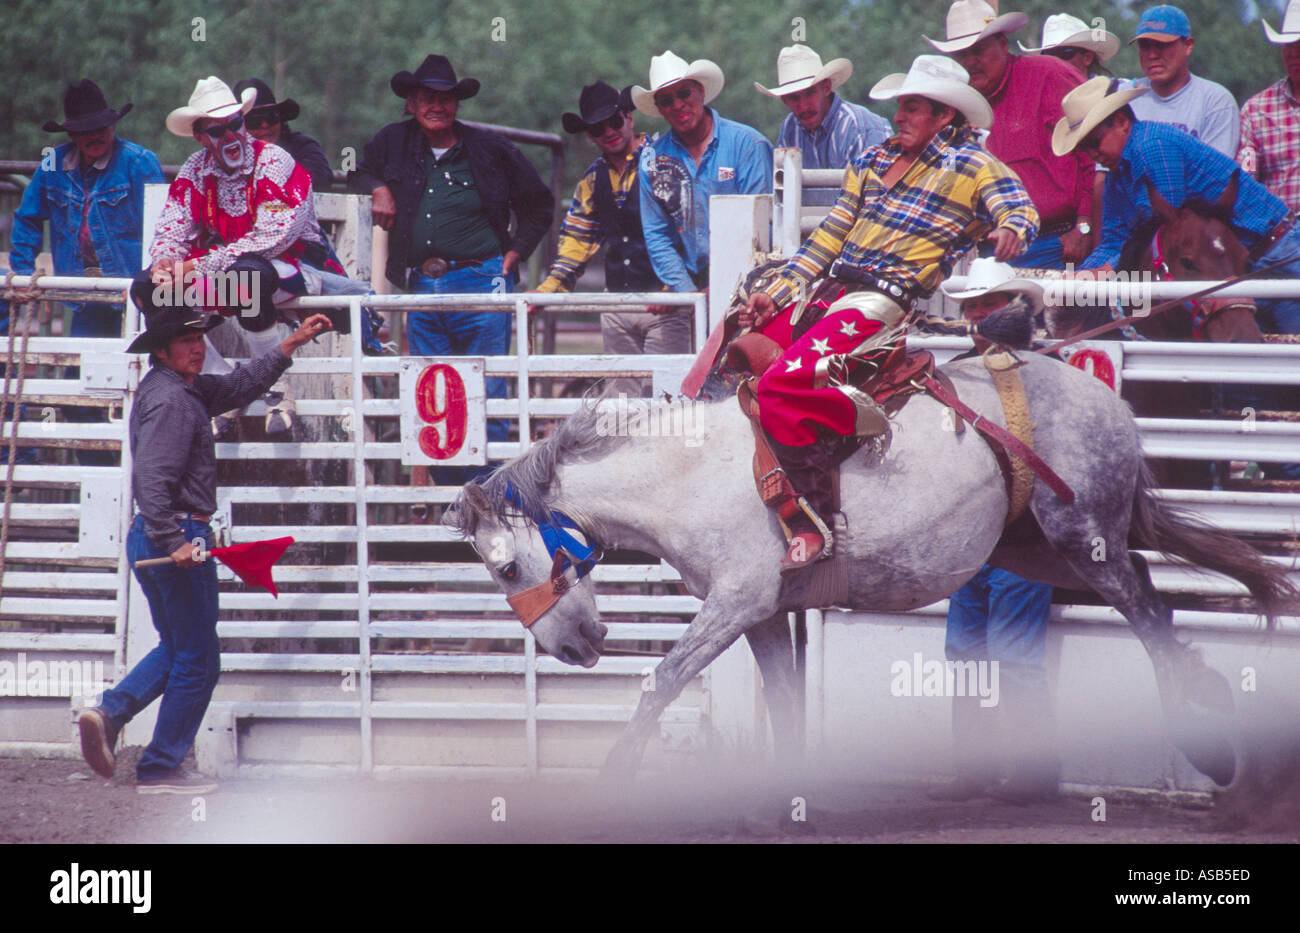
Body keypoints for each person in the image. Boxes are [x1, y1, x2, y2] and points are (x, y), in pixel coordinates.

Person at [738, 56, 1039, 570]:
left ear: (944, 116)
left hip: (880, 303)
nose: (900, 116)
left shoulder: (972, 166)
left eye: (913, 107)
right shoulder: (872, 160)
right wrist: (782, 292)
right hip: (830, 292)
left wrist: (1012, 229)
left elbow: (1020, 208)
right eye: (901, 106)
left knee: (780, 384)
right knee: (735, 348)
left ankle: (814, 517)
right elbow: (828, 238)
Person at [76, 307, 334, 793]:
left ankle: (109, 713)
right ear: (161, 349)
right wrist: (175, 541)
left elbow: (236, 388)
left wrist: (289, 344)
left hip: (157, 535)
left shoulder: (179, 390)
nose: (198, 347)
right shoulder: (174, 402)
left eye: (199, 338)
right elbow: (152, 478)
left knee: (179, 648)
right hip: (176, 535)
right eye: (186, 340)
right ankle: (160, 767)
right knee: (199, 658)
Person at [1058, 77, 1300, 478]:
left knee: (1287, 375)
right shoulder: (1121, 173)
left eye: (1094, 140)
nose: (1093, 153)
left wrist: (1107, 267)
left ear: (1121, 122)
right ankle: (1280, 485)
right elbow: (1118, 238)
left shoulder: (1152, 147)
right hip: (1240, 267)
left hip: (1274, 253)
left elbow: (1168, 228)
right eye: (1084, 147)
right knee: (1252, 378)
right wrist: (1087, 273)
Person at [350, 54, 553, 478]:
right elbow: (358, 170)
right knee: (434, 397)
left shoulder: (490, 148)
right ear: (411, 102)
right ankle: (452, 504)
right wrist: (379, 187)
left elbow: (539, 205)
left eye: (445, 98)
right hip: (422, 283)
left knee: (486, 390)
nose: (436, 106)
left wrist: (514, 255)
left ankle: (495, 499)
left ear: (457, 104)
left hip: (481, 278)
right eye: (427, 98)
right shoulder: (393, 142)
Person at [134, 76, 357, 436]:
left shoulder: (274, 162)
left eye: (236, 124)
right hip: (229, 279)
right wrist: (164, 263)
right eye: (219, 130)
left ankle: (274, 387)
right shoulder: (194, 170)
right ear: (201, 136)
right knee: (149, 289)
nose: (232, 136)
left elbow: (272, 236)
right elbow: (173, 228)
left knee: (246, 277)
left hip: (292, 267)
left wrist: (192, 266)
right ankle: (224, 383)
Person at [930, 258, 1059, 804]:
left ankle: (1032, 772)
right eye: (973, 307)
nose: (979, 316)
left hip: (1026, 537)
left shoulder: (1046, 372)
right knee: (966, 656)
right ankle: (978, 768)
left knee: (1010, 655)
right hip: (975, 537)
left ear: (1014, 307)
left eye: (988, 305)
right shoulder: (959, 371)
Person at [8, 79, 164, 465]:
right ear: (72, 134)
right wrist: (24, 273)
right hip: (86, 298)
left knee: (145, 391)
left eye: (101, 128)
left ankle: (140, 479)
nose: (96, 136)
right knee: (78, 396)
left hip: (136, 296)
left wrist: (158, 278)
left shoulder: (139, 163)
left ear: (112, 127)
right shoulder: (53, 165)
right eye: (86, 130)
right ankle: (106, 478)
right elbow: (28, 218)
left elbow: (162, 227)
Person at [534, 81, 678, 393]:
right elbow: (577, 239)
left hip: (667, 302)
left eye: (613, 122)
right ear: (589, 134)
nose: (608, 132)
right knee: (622, 404)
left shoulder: (665, 162)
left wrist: (675, 287)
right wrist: (550, 289)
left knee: (667, 401)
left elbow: (685, 229)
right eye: (597, 129)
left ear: (629, 118)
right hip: (617, 305)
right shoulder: (591, 180)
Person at [926, 0, 1094, 269]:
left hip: (1056, 245)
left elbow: (1094, 154)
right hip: (986, 252)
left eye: (977, 50)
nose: (970, 62)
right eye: (961, 55)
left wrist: (1085, 227)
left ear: (1002, 44)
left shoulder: (1050, 75)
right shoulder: (953, 109)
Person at [633, 50, 774, 297]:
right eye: (666, 100)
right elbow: (657, 236)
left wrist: (722, 286)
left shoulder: (748, 145)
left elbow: (761, 227)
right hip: (689, 282)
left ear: (701, 91)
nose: (678, 105)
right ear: (659, 108)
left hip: (753, 280)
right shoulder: (651, 160)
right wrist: (689, 295)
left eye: (684, 93)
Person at [754, 44, 891, 203]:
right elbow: (784, 197)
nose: (803, 106)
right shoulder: (790, 128)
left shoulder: (860, 128)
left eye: (810, 93)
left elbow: (874, 204)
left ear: (826, 88)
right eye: (794, 98)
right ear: (785, 100)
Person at [1126, 4, 1239, 157]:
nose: (1152, 55)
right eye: (1144, 46)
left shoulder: (1215, 101)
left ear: (1188, 46)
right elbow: (1104, 176)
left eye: (1161, 45)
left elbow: (1218, 175)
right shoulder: (1124, 98)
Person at [1239, 1, 1300, 216]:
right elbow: (1246, 179)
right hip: (1282, 234)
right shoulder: (1256, 110)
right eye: (1288, 46)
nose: (1293, 54)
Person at [233, 78, 333, 191]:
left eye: (271, 117)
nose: (265, 125)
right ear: (238, 127)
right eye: (254, 120)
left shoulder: (302, 147)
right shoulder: (227, 155)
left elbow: (319, 180)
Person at [1018, 11, 1120, 78]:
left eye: (1065, 53)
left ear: (1087, 58)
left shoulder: (1111, 94)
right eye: (1049, 55)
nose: (1056, 62)